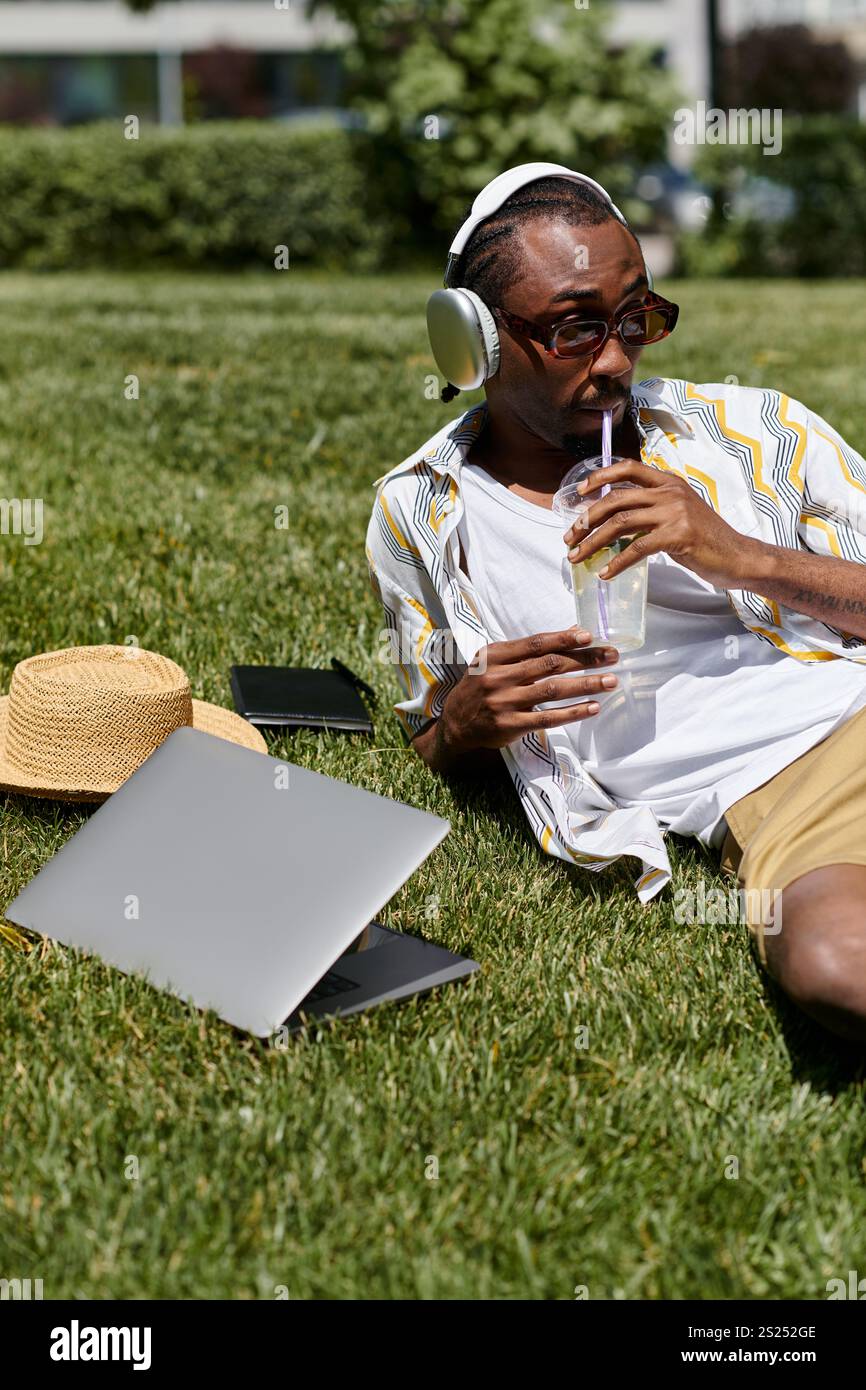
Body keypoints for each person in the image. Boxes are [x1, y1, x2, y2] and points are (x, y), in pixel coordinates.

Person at [365, 163, 866, 1042]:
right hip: (776, 795)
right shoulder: (422, 512)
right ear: (473, 343)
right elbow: (430, 725)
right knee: (833, 965)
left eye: (637, 318)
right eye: (575, 330)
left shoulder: (752, 431)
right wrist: (464, 725)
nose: (616, 360)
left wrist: (740, 555)